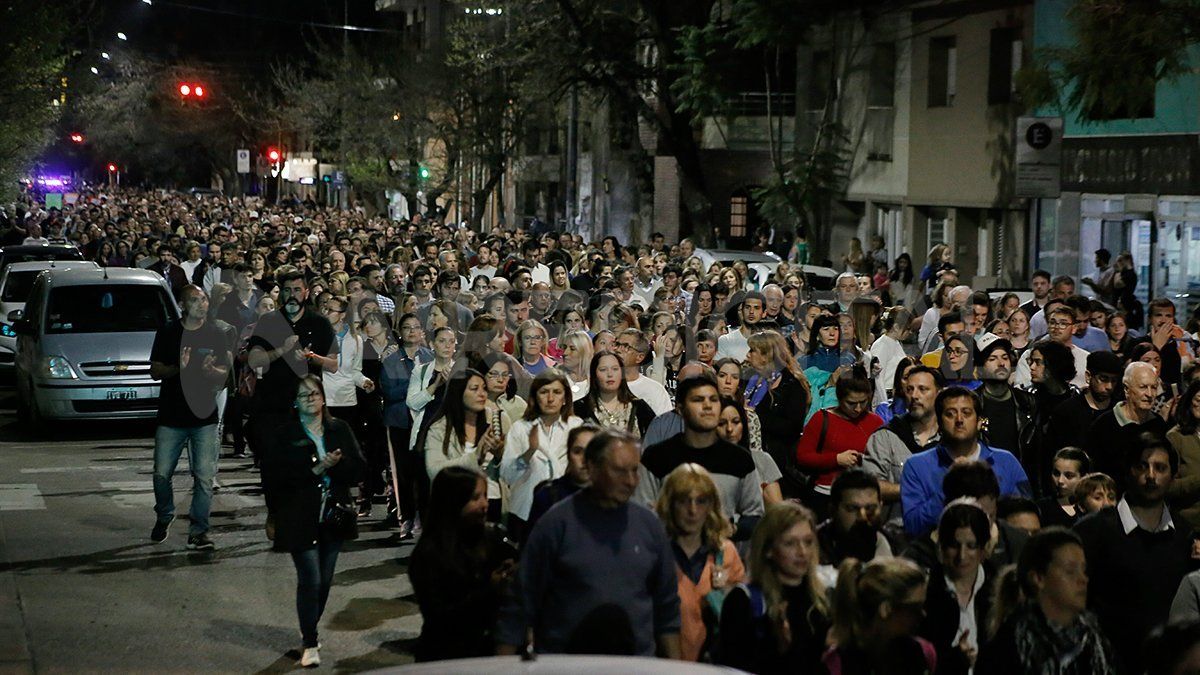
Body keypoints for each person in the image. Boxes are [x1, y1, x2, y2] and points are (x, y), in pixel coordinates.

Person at [496, 429, 682, 657]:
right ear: (593, 468)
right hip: (564, 664)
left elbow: (667, 610)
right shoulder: (556, 523)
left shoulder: (649, 527)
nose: (631, 481)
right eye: (619, 471)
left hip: (633, 664)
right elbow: (522, 601)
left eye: (635, 470)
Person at [261, 375, 365, 668]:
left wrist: (338, 464)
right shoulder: (285, 434)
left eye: (314, 393)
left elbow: (359, 468)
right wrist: (318, 468)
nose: (310, 399)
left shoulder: (339, 428)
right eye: (303, 395)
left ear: (323, 398)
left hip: (334, 516)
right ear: (295, 402)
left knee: (325, 579)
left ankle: (309, 623)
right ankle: (310, 641)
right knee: (310, 578)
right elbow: (274, 478)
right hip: (298, 516)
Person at [1073, 432, 1194, 673]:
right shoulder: (1093, 531)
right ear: (1129, 471)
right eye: (1142, 466)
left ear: (1173, 476)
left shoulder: (1183, 534)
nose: (1151, 476)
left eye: (1160, 468)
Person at [149, 285, 232, 549]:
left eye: (204, 299)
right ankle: (164, 514)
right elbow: (155, 371)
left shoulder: (216, 333)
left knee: (205, 477)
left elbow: (225, 374)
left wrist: (211, 371)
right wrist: (178, 368)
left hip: (204, 417)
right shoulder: (169, 332)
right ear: (183, 305)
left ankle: (199, 531)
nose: (201, 304)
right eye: (194, 300)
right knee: (162, 474)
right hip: (171, 416)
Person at [409, 466, 518, 662]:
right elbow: (440, 618)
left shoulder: (494, 538)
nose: (485, 504)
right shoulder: (428, 554)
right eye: (475, 498)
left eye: (485, 495)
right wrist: (490, 589)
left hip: (490, 651)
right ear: (453, 502)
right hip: (447, 655)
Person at [638, 373, 765, 541]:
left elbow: (755, 516)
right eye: (698, 400)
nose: (707, 406)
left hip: (723, 557)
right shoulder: (657, 457)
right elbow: (641, 514)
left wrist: (731, 529)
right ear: (680, 409)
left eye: (713, 400)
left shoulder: (739, 459)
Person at [976, 527, 1117, 675]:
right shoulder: (1009, 648)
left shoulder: (1094, 640)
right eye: (1070, 571)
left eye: (1083, 570)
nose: (1083, 579)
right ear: (1038, 578)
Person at [716, 503, 832, 673]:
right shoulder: (742, 601)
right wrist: (777, 648)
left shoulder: (823, 601)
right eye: (790, 543)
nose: (802, 552)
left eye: (808, 542)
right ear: (768, 549)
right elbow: (732, 666)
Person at [901, 387, 1032, 537]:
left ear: (978, 422)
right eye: (950, 414)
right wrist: (951, 487)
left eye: (966, 413)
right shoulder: (916, 466)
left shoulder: (1006, 462)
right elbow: (912, 526)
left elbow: (1027, 515)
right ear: (939, 423)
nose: (959, 420)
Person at [655, 463, 746, 662]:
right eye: (683, 501)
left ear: (711, 505)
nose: (692, 510)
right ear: (670, 504)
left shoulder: (726, 553)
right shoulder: (656, 556)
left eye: (701, 501)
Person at [500, 368, 583, 540]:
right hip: (525, 511)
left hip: (566, 510)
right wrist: (529, 452)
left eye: (557, 392)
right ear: (535, 396)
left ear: (565, 397)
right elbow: (507, 475)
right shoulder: (521, 428)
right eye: (544, 392)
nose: (550, 398)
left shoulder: (576, 427)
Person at [916, 500, 995, 675]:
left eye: (971, 546)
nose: (962, 555)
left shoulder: (998, 591)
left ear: (983, 549)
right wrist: (953, 660)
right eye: (954, 545)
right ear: (941, 548)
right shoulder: (924, 595)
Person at [825, 557, 936, 675]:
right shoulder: (839, 664)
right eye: (915, 608)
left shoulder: (923, 653)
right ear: (886, 609)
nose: (923, 614)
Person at [796, 367, 883, 517]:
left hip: (863, 497)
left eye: (863, 402)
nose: (857, 409)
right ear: (839, 398)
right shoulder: (821, 419)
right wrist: (836, 459)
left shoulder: (875, 422)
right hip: (825, 496)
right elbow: (803, 456)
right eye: (851, 403)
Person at [423, 370, 510, 519]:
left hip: (493, 502)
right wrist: (475, 457)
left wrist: (500, 455)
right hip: (456, 505)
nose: (482, 394)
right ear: (458, 392)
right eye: (474, 389)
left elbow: (516, 470)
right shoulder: (440, 428)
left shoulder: (499, 420)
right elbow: (435, 472)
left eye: (484, 388)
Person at [864, 365, 944, 528]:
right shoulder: (886, 436)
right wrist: (920, 489)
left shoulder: (951, 439)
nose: (914, 396)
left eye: (923, 389)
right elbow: (871, 486)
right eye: (909, 389)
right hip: (897, 531)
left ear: (939, 394)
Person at [1084, 361, 1170, 490]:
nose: (1150, 394)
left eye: (1153, 387)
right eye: (1143, 387)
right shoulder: (1103, 426)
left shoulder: (1158, 424)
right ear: (1126, 389)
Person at [744, 331, 811, 495]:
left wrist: (754, 414)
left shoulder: (792, 385)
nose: (747, 355)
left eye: (752, 350)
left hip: (778, 464)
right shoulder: (750, 379)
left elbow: (792, 427)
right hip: (748, 456)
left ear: (766, 355)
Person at [1043, 351, 1122, 465]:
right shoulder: (1066, 412)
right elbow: (1051, 456)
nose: (1109, 386)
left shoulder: (1119, 411)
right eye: (1103, 379)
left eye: (1113, 381)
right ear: (1088, 376)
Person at [817, 470, 893, 585]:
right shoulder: (811, 550)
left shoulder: (898, 546)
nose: (862, 517)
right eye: (852, 509)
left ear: (880, 507)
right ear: (833, 510)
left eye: (870, 508)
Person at [527, 424, 598, 532]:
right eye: (578, 451)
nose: (585, 459)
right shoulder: (547, 495)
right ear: (569, 455)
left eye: (592, 451)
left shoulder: (614, 497)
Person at [718, 396, 783, 507]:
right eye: (722, 423)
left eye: (736, 422)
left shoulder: (761, 459)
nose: (729, 428)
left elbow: (777, 513)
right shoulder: (702, 460)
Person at [572, 351, 656, 436]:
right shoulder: (579, 409)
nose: (610, 374)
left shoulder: (639, 407)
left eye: (615, 369)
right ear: (594, 375)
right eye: (603, 370)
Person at [614, 328, 673, 415]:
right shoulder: (599, 383)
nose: (618, 350)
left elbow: (665, 425)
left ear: (640, 357)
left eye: (626, 346)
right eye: (617, 344)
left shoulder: (655, 390)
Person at [1168, 382, 1200, 530]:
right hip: (1188, 527)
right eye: (1199, 400)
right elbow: (1166, 487)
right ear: (1189, 402)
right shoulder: (1176, 437)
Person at [1036, 447, 1092, 529]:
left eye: (1069, 476)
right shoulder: (1041, 508)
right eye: (1056, 474)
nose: (1060, 481)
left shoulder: (1093, 507)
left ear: (1084, 478)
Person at [868, 306, 913, 406]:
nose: (910, 332)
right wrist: (884, 404)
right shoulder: (881, 345)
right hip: (885, 398)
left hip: (896, 396)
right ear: (896, 327)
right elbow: (878, 379)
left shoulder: (896, 343)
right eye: (908, 328)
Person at [716, 290, 765, 361]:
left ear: (764, 313)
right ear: (741, 310)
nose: (751, 312)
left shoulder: (769, 342)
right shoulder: (725, 340)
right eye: (747, 307)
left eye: (756, 308)